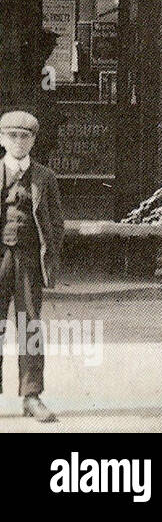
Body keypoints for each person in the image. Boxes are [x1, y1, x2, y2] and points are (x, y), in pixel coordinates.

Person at [0, 110, 64, 422]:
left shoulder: (44, 177)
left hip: (27, 260)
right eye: (12, 135)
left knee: (30, 326)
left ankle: (32, 395)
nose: (18, 141)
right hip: (0, 257)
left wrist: (48, 258)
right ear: (2, 139)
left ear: (33, 141)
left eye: (25, 136)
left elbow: (56, 222)